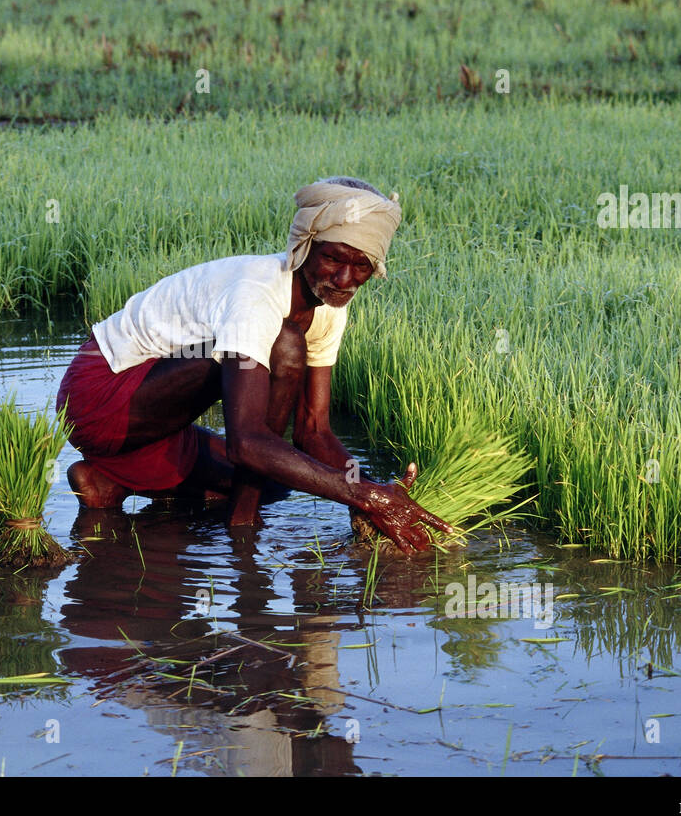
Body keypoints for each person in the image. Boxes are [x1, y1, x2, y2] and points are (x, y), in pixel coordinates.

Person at [55, 176, 452, 553]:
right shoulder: (257, 293)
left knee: (279, 485)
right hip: (102, 400)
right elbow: (246, 442)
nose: (345, 278)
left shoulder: (329, 306)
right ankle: (242, 524)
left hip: (157, 428)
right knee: (285, 346)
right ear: (305, 245)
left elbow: (313, 431)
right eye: (333, 258)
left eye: (362, 266)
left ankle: (107, 483)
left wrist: (370, 491)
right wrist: (361, 495)